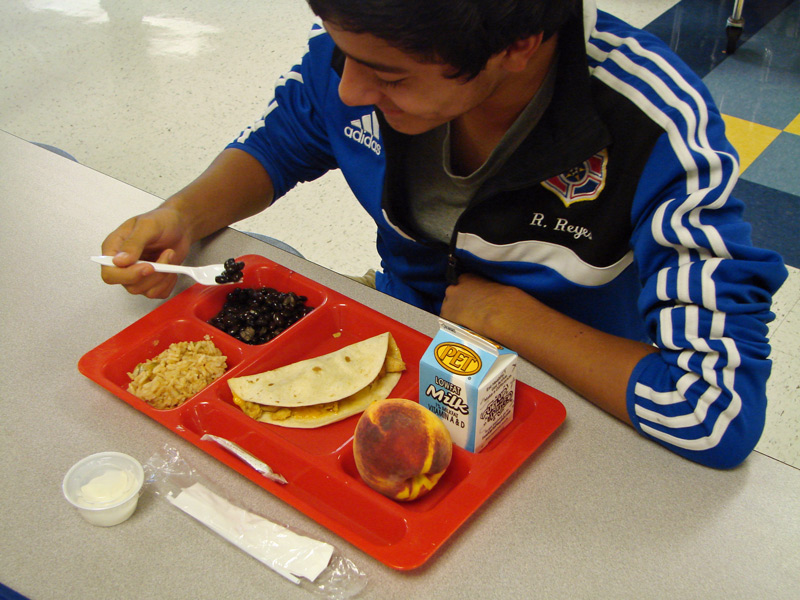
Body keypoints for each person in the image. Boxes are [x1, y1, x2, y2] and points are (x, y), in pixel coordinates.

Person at [100, 0, 787, 469]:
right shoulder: (368, 42)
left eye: (389, 76)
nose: (350, 88)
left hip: (565, 402)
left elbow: (715, 412)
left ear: (518, 45)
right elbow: (289, 135)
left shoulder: (656, 126)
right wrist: (184, 214)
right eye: (344, 54)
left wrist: (510, 319)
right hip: (405, 354)